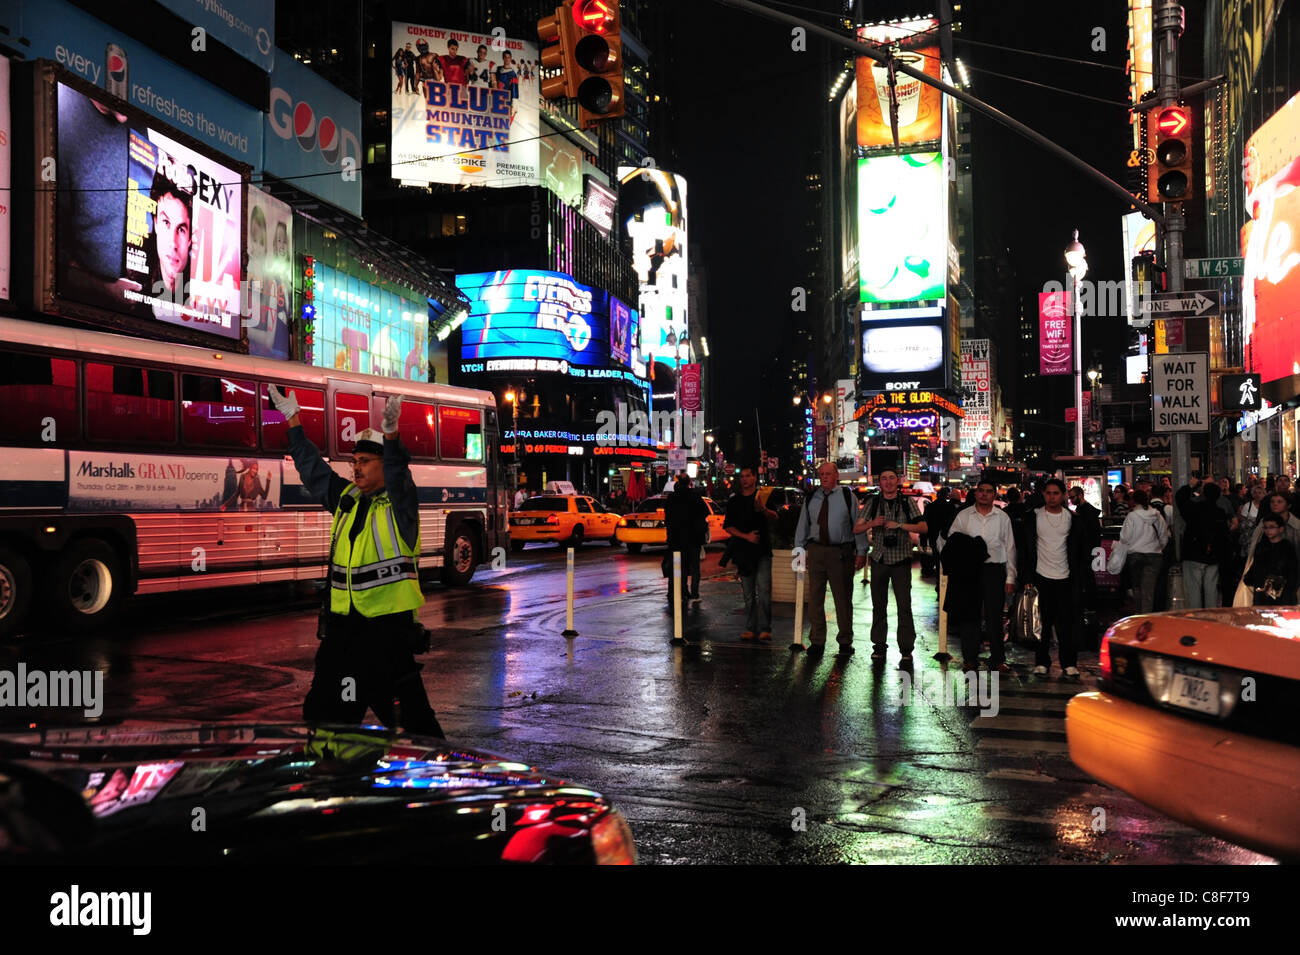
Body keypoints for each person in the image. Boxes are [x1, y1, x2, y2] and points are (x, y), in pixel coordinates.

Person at [268, 384, 444, 737]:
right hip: (342, 634)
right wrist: (294, 422)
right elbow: (313, 471)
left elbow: (399, 477)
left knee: (415, 728)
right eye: (354, 462)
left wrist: (391, 437)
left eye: (365, 462)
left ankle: (434, 781)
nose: (356, 469)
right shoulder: (347, 498)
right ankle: (337, 779)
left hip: (386, 634)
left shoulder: (400, 508)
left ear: (383, 465)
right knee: (324, 719)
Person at [939, 478, 1016, 672]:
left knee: (994, 616)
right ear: (976, 493)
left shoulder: (1002, 518)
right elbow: (952, 543)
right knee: (969, 616)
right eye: (981, 490)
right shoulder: (964, 516)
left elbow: (1010, 548)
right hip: (969, 572)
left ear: (995, 495)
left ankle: (998, 659)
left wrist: (1010, 577)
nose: (984, 494)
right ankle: (970, 658)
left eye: (989, 491)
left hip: (994, 570)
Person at [1015, 478, 1089, 679]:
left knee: (1067, 623)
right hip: (1041, 576)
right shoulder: (1033, 517)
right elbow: (1024, 550)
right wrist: (1027, 577)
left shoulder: (1072, 519)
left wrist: (1079, 578)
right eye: (1048, 493)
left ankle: (1069, 663)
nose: (1052, 497)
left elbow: (1080, 550)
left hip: (1066, 577)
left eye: (1056, 493)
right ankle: (1041, 661)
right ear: (1043, 494)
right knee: (1042, 623)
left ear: (1063, 495)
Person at [794, 461, 867, 656]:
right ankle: (817, 641)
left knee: (842, 599)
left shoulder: (846, 496)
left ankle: (845, 641)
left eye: (828, 474)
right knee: (815, 599)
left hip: (840, 553)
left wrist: (861, 551)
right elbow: (803, 526)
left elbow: (857, 524)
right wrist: (798, 553)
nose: (824, 477)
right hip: (816, 551)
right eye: (821, 474)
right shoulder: (811, 497)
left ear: (836, 476)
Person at [854, 467, 926, 665]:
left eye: (891, 478)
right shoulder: (873, 502)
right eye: (884, 478)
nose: (888, 482)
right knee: (879, 606)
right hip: (878, 560)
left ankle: (906, 648)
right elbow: (856, 528)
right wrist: (872, 523)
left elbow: (923, 527)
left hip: (901, 561)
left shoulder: (906, 502)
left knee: (904, 606)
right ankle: (879, 645)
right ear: (880, 483)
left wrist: (900, 526)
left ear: (898, 481)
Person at [722, 467, 776, 641]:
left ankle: (766, 628)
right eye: (742, 476)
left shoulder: (763, 497)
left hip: (762, 551)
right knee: (748, 593)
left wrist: (763, 510)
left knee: (764, 590)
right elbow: (728, 526)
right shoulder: (734, 501)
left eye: (748, 476)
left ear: (754, 478)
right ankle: (751, 627)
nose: (744, 479)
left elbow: (775, 516)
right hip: (744, 553)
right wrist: (746, 536)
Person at [1176, 479, 1231, 609]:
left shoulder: (1194, 509)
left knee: (1193, 590)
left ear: (1203, 494)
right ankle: (1211, 616)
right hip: (1213, 556)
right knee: (1211, 590)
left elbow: (1180, 498)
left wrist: (1192, 485)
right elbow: (1224, 536)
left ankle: (1196, 619)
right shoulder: (1220, 513)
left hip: (1193, 553)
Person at [147, 169, 193, 310]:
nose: (173, 243)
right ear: (155, 223)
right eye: (166, 223)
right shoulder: (133, 276)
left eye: (181, 229)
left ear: (191, 238)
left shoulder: (200, 288)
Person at [1119, 489, 1169, 613]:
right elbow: (1164, 535)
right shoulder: (1157, 515)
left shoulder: (1132, 516)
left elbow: (1125, 537)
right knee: (1149, 589)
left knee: (1137, 587)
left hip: (1135, 555)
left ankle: (1139, 614)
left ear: (1134, 501)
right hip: (1154, 555)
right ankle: (1147, 615)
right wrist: (1158, 547)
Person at [664, 476, 708, 605]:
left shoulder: (671, 498)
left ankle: (682, 592)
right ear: (689, 483)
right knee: (694, 568)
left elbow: (668, 518)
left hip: (676, 539)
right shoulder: (695, 496)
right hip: (693, 538)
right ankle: (694, 594)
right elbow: (704, 513)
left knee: (679, 567)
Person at [1243, 513, 1300, 604]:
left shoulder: (1287, 547)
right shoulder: (1261, 547)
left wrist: (1290, 589)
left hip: (1282, 593)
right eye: (1265, 527)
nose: (1268, 530)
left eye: (1272, 527)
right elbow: (1256, 567)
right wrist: (1250, 579)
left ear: (1281, 529)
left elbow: (1293, 571)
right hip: (1262, 592)